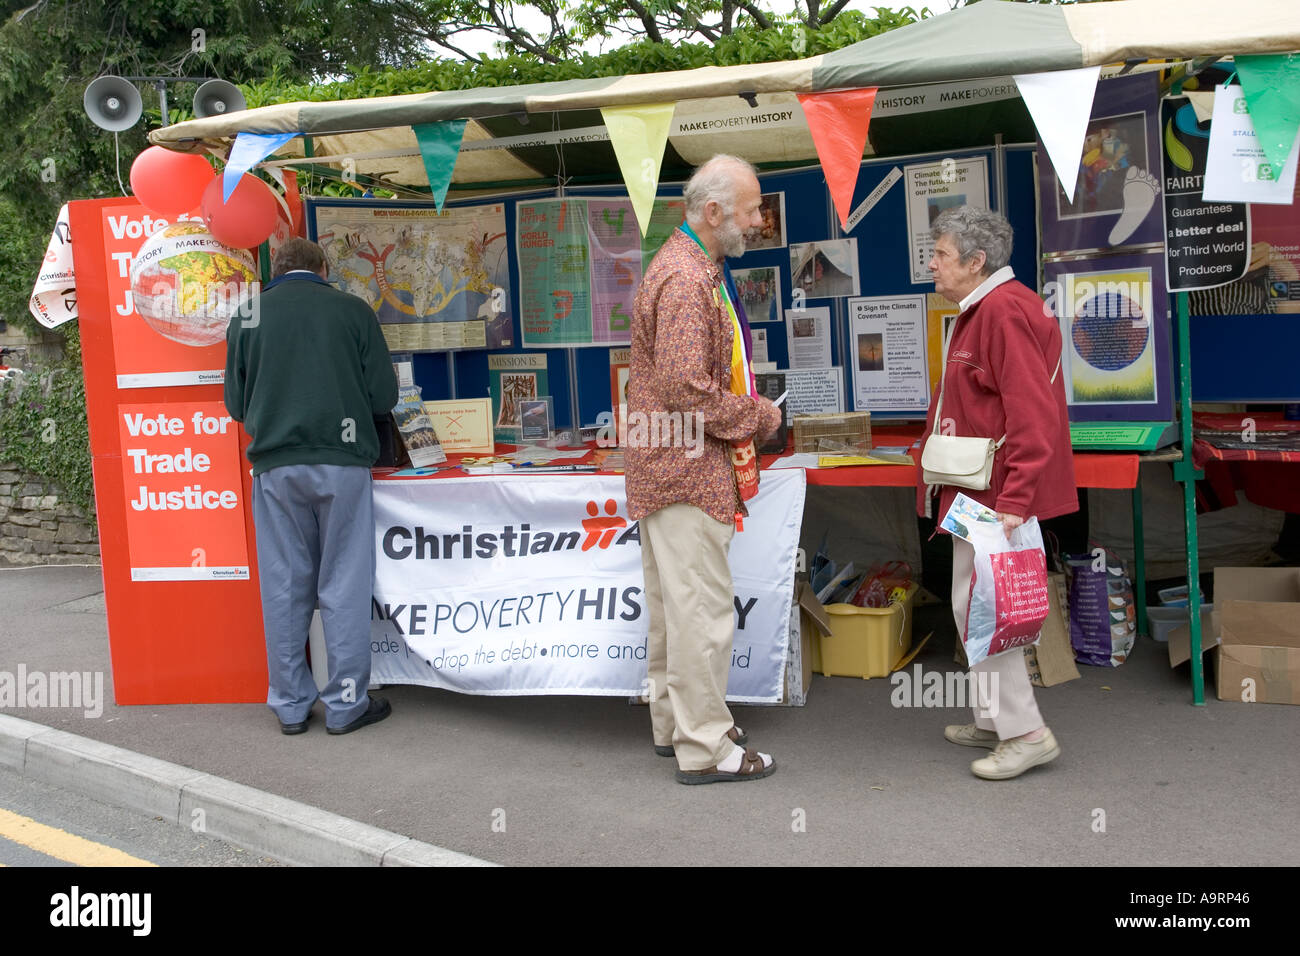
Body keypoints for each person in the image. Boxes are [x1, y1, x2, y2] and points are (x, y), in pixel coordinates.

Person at [625, 154, 784, 784]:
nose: (757, 220)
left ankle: (677, 726)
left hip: (665, 468)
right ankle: (707, 748)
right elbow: (689, 388)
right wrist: (758, 416)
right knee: (702, 617)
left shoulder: (684, 265)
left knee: (674, 611)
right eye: (749, 210)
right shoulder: (691, 279)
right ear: (713, 212)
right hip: (687, 470)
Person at [917, 206, 1077, 780]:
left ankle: (1027, 733)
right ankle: (992, 718)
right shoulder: (990, 307)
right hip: (978, 489)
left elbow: (1033, 415)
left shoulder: (1003, 312)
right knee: (973, 602)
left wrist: (1016, 498)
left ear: (975, 260)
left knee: (988, 607)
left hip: (994, 493)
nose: (931, 264)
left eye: (939, 254)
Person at [224, 238, 398, 736]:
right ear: (322, 269)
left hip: (276, 468)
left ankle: (290, 705)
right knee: (343, 582)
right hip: (342, 464)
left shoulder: (249, 315)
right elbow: (384, 395)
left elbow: (235, 404)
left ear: (276, 271)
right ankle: (346, 705)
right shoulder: (352, 310)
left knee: (283, 585)